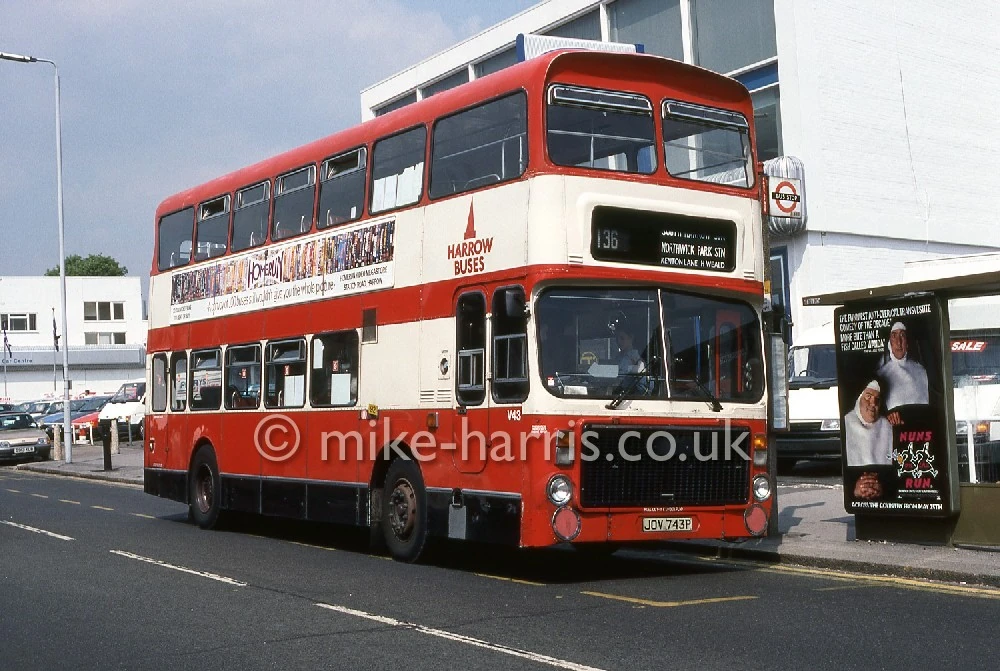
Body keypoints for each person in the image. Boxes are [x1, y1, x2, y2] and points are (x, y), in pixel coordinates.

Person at [877, 321, 929, 424]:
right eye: (894, 336)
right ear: (889, 343)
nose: (899, 342)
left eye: (902, 335)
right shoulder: (881, 375)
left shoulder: (921, 371)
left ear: (907, 342)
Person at [844, 380, 893, 467]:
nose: (873, 403)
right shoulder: (845, 423)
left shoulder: (887, 425)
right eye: (868, 396)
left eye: (877, 399)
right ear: (859, 399)